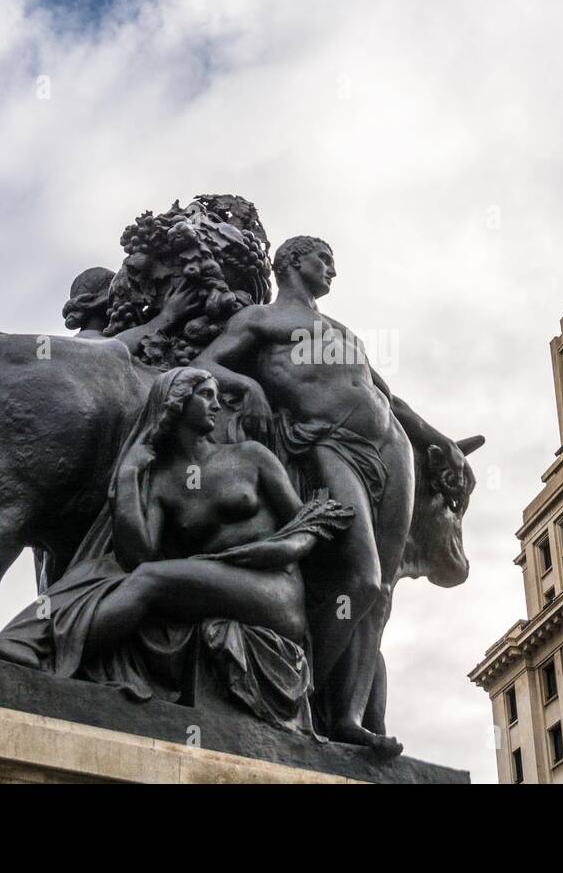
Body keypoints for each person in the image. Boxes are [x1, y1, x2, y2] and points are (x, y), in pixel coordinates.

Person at [0, 367, 353, 734]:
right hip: (212, 586)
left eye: (216, 395)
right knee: (97, 576)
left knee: (149, 582)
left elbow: (310, 522)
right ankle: (13, 646)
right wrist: (127, 476)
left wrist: (280, 549)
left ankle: (33, 652)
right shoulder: (161, 483)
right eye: (205, 396)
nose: (216, 405)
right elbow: (136, 557)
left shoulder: (250, 456)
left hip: (274, 593)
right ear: (175, 405)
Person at [190, 236, 467, 755]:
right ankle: (299, 696)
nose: (332, 271)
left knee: (382, 591)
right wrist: (248, 388)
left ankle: (348, 717)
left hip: (393, 448)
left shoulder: (342, 332)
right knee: (360, 579)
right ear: (293, 262)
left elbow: (389, 396)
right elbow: (205, 365)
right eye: (325, 260)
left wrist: (439, 439)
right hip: (328, 442)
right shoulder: (260, 320)